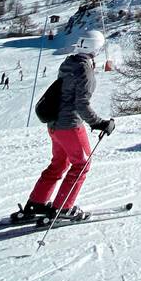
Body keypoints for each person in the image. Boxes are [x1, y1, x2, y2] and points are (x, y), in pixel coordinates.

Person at [15, 30, 115, 223]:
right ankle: (63, 208)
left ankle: (37, 202)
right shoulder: (84, 69)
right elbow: (81, 104)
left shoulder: (68, 62)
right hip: (69, 126)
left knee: (59, 163)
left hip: (54, 124)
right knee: (82, 164)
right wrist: (99, 123)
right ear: (95, 48)